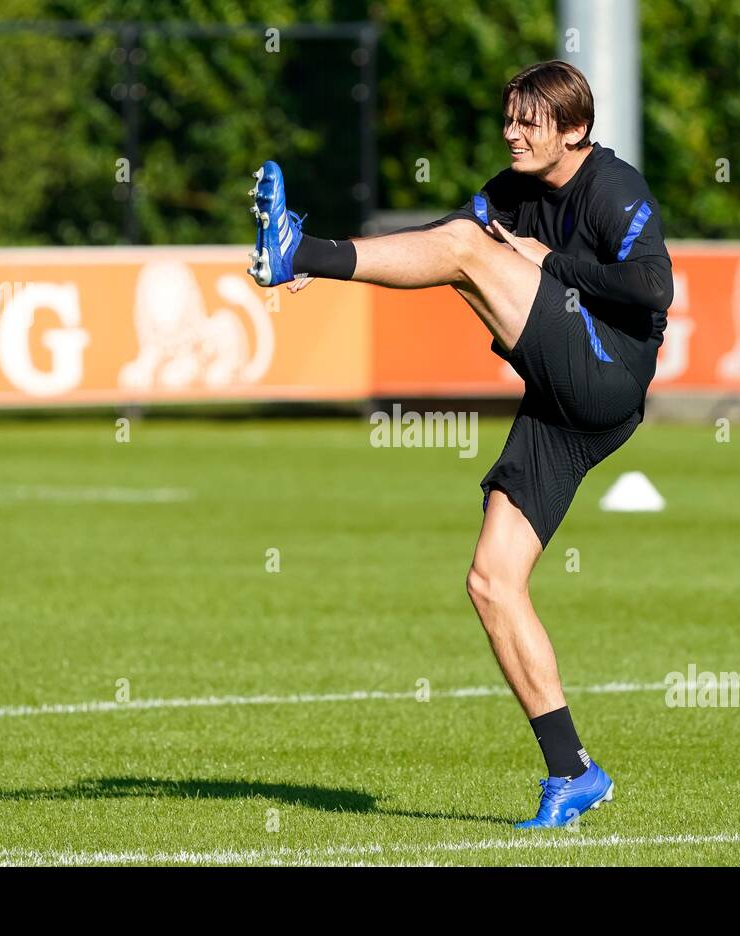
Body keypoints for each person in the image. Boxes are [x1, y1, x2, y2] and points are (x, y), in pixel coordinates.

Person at [247, 60, 673, 828]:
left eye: (529, 121)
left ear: (574, 130)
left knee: (476, 252)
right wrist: (333, 262)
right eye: (508, 117)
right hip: (560, 401)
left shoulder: (615, 187)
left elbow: (652, 290)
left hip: (608, 372)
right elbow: (443, 238)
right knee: (491, 582)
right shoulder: (510, 190)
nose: (512, 132)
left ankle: (298, 249)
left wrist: (551, 263)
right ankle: (572, 770)